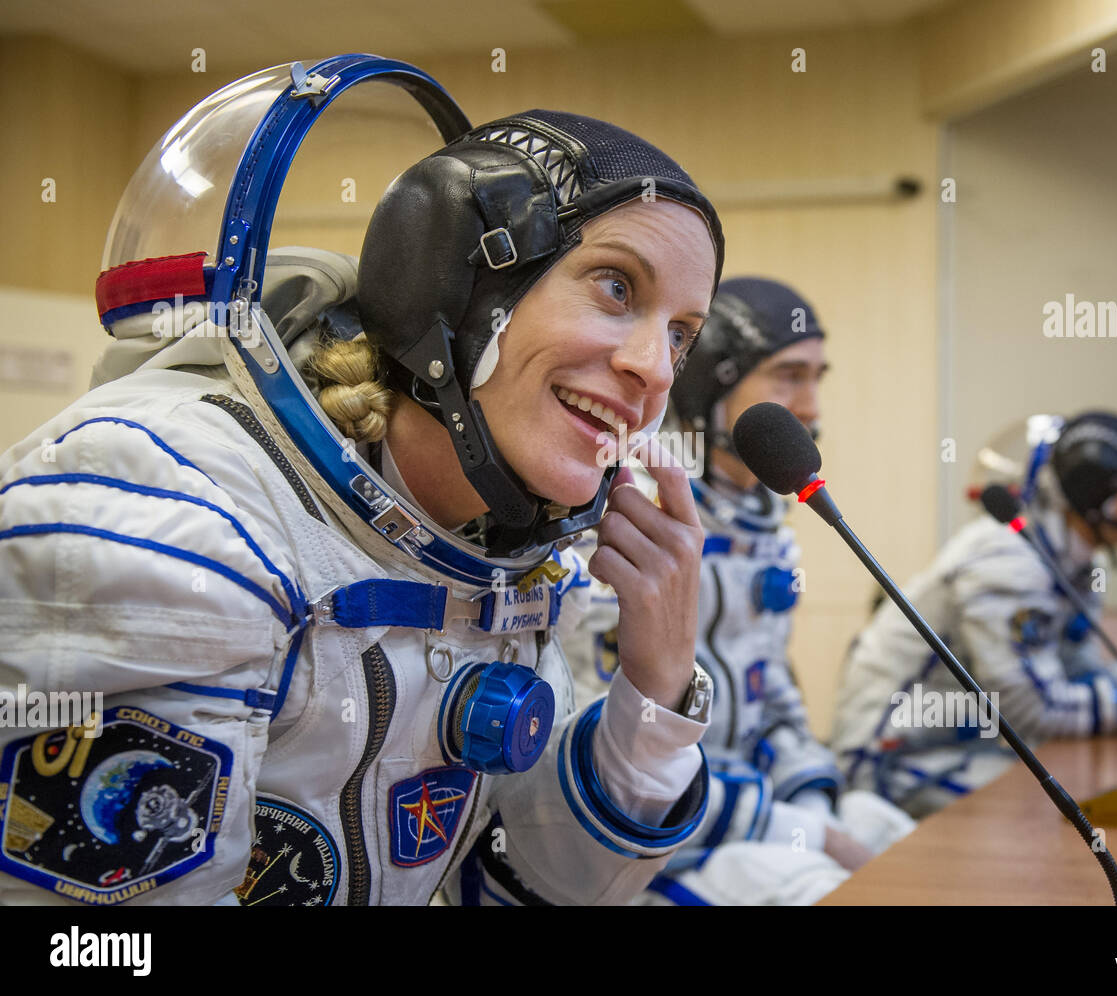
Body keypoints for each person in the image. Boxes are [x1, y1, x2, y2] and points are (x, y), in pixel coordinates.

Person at [0, 58, 723, 906]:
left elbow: (509, 882)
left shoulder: (507, 558)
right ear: (452, 283)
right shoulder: (172, 504)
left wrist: (657, 693)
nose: (652, 369)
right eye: (615, 286)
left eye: (681, 333)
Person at [561, 278, 914, 905]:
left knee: (896, 841)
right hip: (653, 837)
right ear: (711, 385)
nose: (809, 406)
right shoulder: (628, 514)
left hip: (743, 809)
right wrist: (800, 832)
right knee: (827, 885)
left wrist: (810, 803)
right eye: (788, 376)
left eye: (817, 378)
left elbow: (768, 686)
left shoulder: (763, 523)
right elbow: (608, 738)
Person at [833, 411, 1117, 818]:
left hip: (967, 743)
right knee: (1053, 812)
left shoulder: (1070, 559)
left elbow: (1073, 672)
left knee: (1091, 792)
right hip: (891, 759)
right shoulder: (1009, 561)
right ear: (1094, 492)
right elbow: (1033, 710)